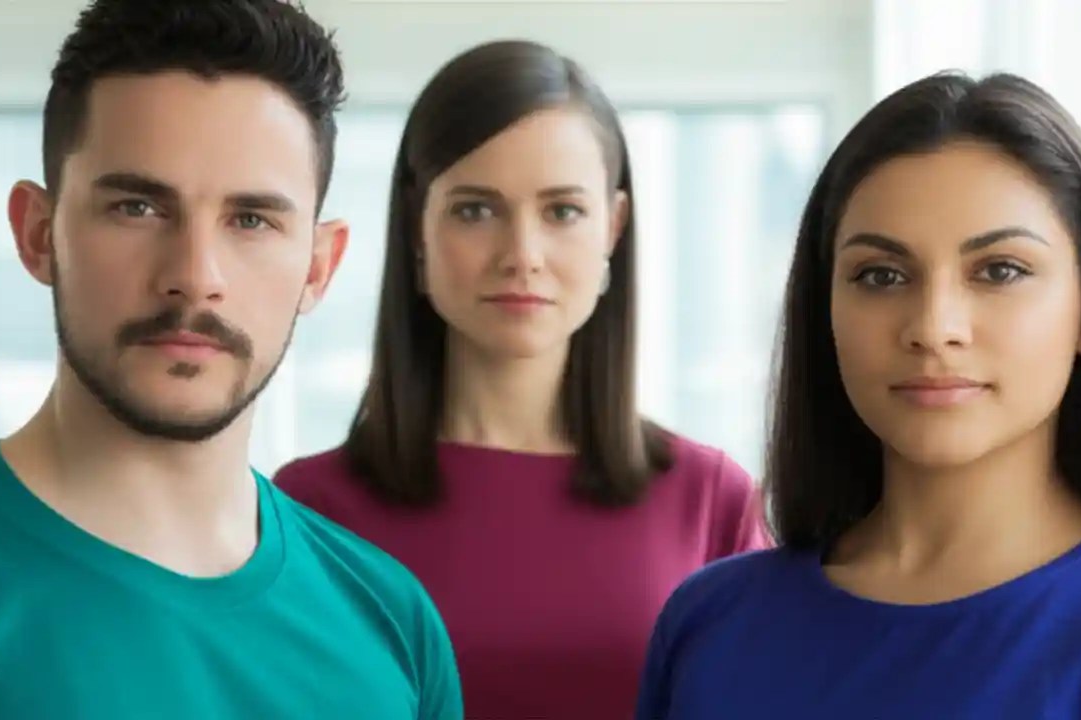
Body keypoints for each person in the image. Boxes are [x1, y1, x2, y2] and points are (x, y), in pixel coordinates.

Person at [0, 2, 463, 718]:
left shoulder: (391, 622)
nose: (196, 274)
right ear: (38, 234)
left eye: (251, 220)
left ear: (319, 268)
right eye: (139, 207)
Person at [635, 70, 1081, 719]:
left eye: (999, 271)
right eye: (881, 275)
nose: (933, 328)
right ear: (826, 310)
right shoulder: (710, 623)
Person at [274, 39, 767, 720]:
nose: (522, 255)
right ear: (418, 228)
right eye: (477, 209)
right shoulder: (309, 513)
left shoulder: (711, 501)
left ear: (613, 228)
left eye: (562, 211)